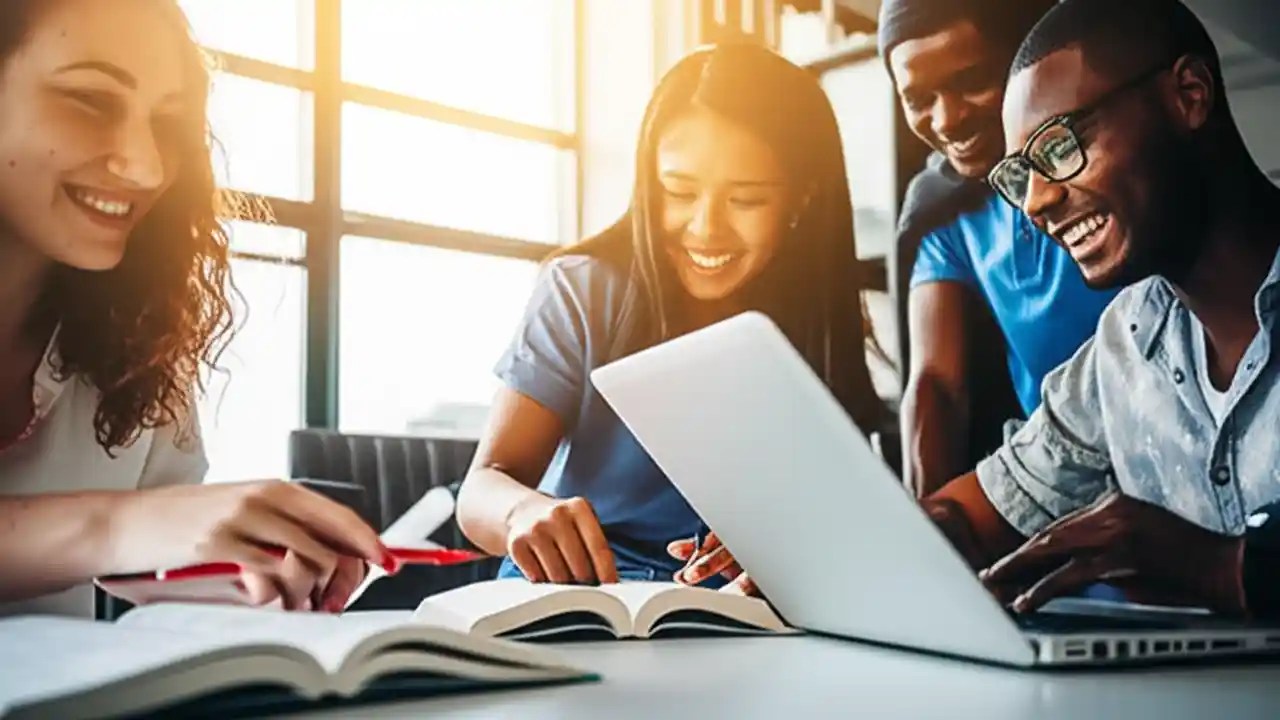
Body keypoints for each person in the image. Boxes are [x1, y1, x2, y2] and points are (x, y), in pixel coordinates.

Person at [685, 0, 1280, 618]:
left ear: (1189, 94)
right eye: (1021, 175)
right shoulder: (1121, 348)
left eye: (1061, 146)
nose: (1037, 202)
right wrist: (821, 546)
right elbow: (978, 510)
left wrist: (1221, 567)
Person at [0, 0, 387, 617]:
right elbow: (125, 531)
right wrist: (115, 527)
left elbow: (143, 564)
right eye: (90, 100)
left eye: (167, 123)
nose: (146, 167)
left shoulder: (137, 343)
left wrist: (240, 570)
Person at [455, 43, 886, 592]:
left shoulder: (816, 320)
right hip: (569, 596)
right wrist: (522, 513)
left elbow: (838, 521)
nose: (706, 229)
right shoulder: (583, 290)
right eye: (678, 192)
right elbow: (482, 490)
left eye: (746, 200)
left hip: (723, 614)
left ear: (803, 199)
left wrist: (791, 547)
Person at [881, 0, 1123, 498]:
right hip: (1059, 482)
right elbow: (936, 385)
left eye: (971, 81)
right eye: (919, 98)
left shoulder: (1115, 168)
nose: (946, 119)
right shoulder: (943, 210)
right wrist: (925, 521)